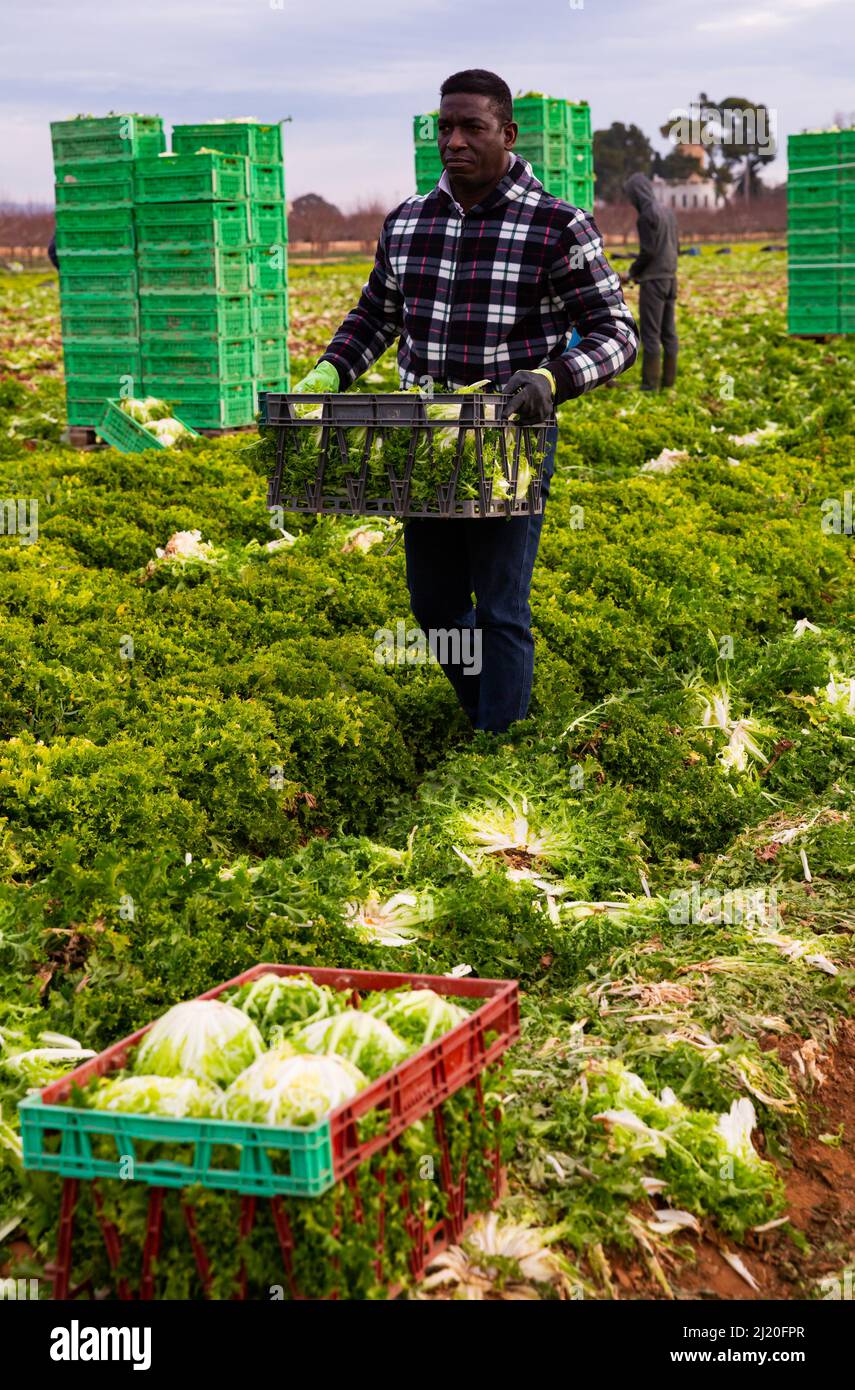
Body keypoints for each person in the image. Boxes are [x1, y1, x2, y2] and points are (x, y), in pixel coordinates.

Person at [294, 69, 638, 733]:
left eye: (471, 127)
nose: (453, 140)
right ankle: (489, 709)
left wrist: (550, 379)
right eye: (443, 127)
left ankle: (497, 747)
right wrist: (330, 372)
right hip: (423, 440)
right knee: (434, 604)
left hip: (507, 440)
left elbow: (615, 333)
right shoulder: (407, 223)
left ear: (506, 134)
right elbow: (375, 316)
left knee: (501, 606)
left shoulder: (556, 225)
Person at [622, 173, 679, 391]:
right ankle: (668, 383)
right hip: (671, 278)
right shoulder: (668, 212)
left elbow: (649, 251)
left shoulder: (646, 216)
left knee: (651, 333)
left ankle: (650, 385)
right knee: (669, 332)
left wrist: (633, 272)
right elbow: (677, 247)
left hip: (654, 282)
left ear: (637, 194)